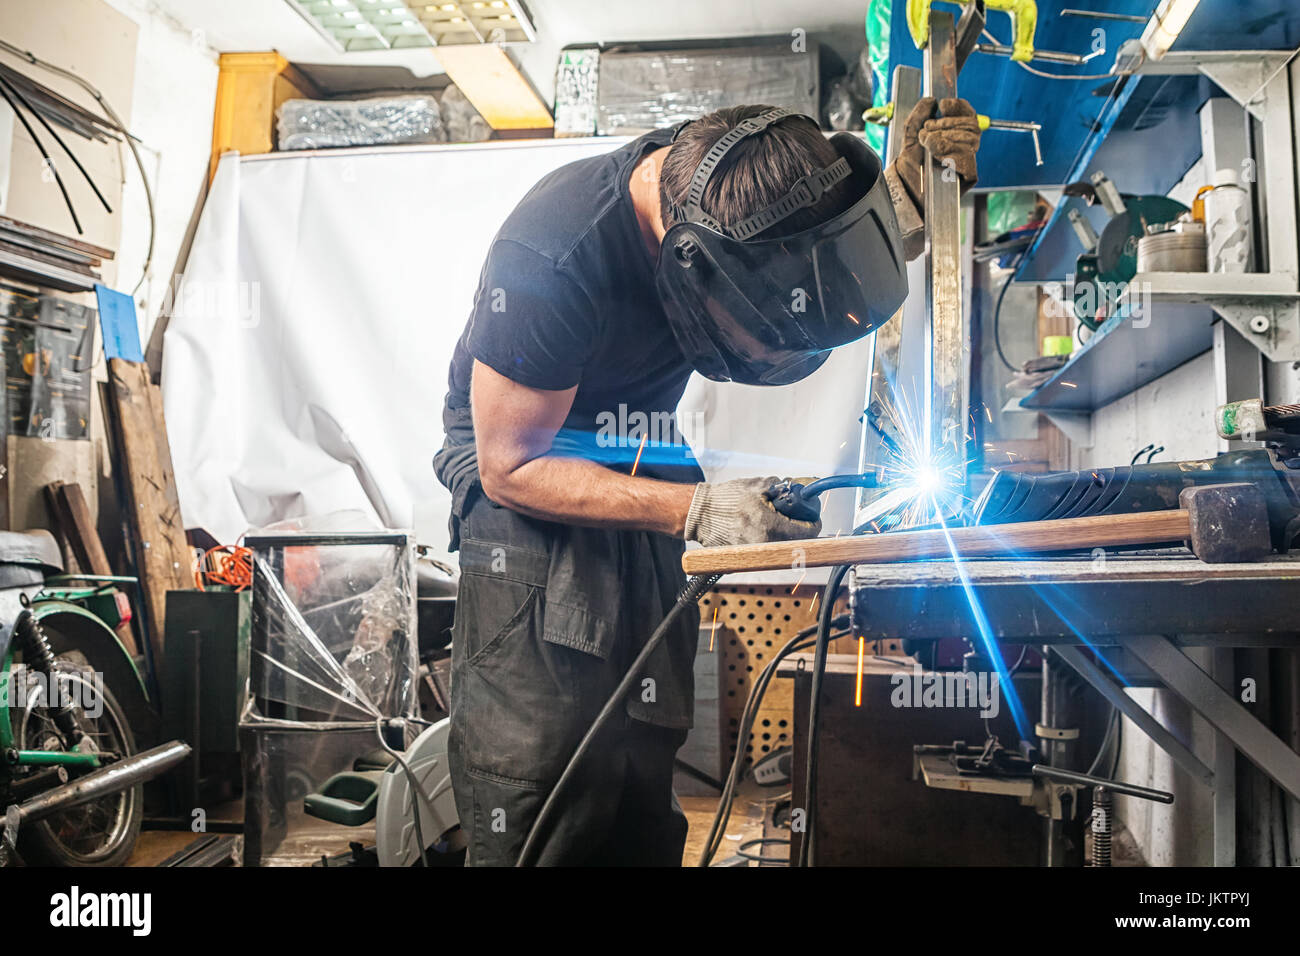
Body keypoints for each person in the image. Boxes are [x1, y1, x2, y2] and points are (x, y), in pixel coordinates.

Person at [432, 97, 981, 865]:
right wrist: (698, 507)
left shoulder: (725, 183)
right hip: (529, 499)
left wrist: (893, 213)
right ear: (690, 261)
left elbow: (798, 256)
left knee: (643, 771)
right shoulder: (550, 260)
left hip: (640, 461)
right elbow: (509, 465)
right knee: (551, 785)